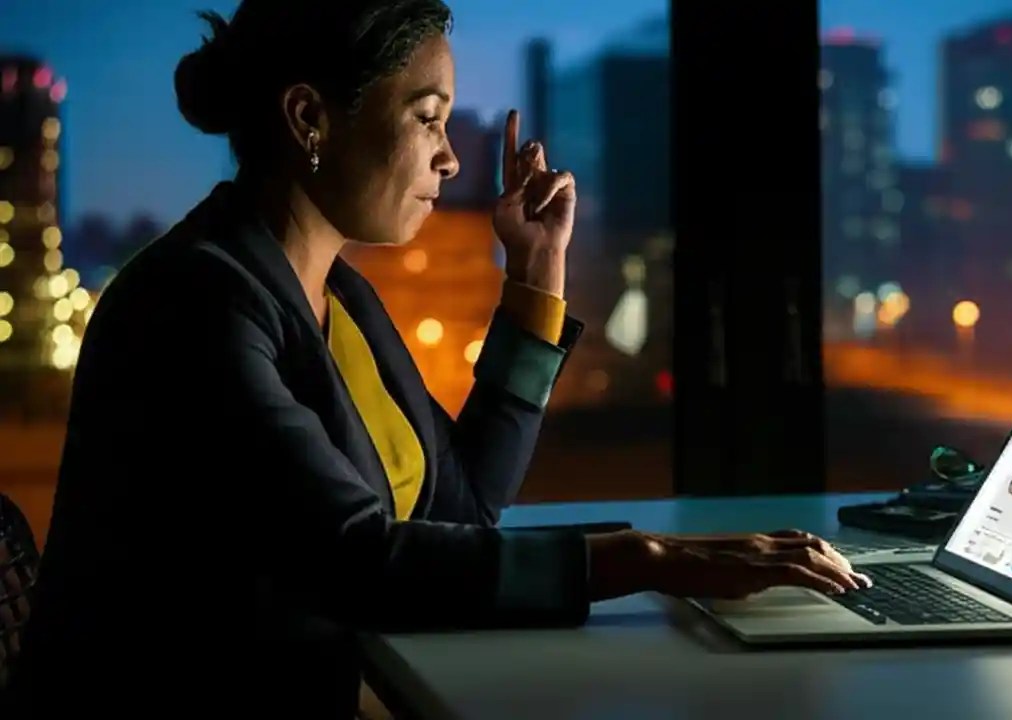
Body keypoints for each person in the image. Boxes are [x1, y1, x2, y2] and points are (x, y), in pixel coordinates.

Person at [8, 1, 869, 717]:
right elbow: (356, 561)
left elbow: (459, 510)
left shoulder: (338, 297)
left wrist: (535, 272)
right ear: (310, 118)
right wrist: (643, 559)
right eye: (427, 118)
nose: (451, 157)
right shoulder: (196, 304)